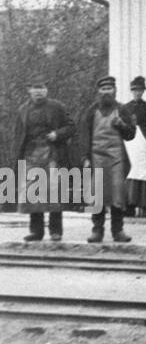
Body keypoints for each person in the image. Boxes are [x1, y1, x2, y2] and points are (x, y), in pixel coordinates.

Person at [76, 75, 139, 244]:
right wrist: (85, 157)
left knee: (117, 195)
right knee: (97, 196)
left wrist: (122, 125)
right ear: (98, 91)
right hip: (96, 158)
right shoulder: (91, 111)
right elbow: (83, 135)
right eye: (103, 89)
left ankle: (118, 231)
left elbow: (131, 135)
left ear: (115, 90)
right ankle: (97, 231)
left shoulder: (123, 109)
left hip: (116, 159)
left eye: (109, 89)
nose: (106, 92)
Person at [14, 79, 76, 242]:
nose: (38, 91)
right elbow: (18, 135)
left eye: (41, 88)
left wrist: (58, 134)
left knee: (54, 192)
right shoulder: (22, 110)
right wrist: (18, 156)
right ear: (29, 90)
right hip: (31, 154)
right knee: (34, 193)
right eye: (35, 88)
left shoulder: (58, 107)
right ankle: (36, 231)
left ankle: (56, 231)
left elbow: (71, 127)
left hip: (53, 153)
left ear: (47, 90)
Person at [122, 75, 146, 217]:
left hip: (144, 141)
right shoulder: (125, 108)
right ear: (132, 91)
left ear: (143, 92)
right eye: (135, 90)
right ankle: (129, 204)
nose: (137, 93)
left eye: (140, 90)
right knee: (131, 170)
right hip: (129, 143)